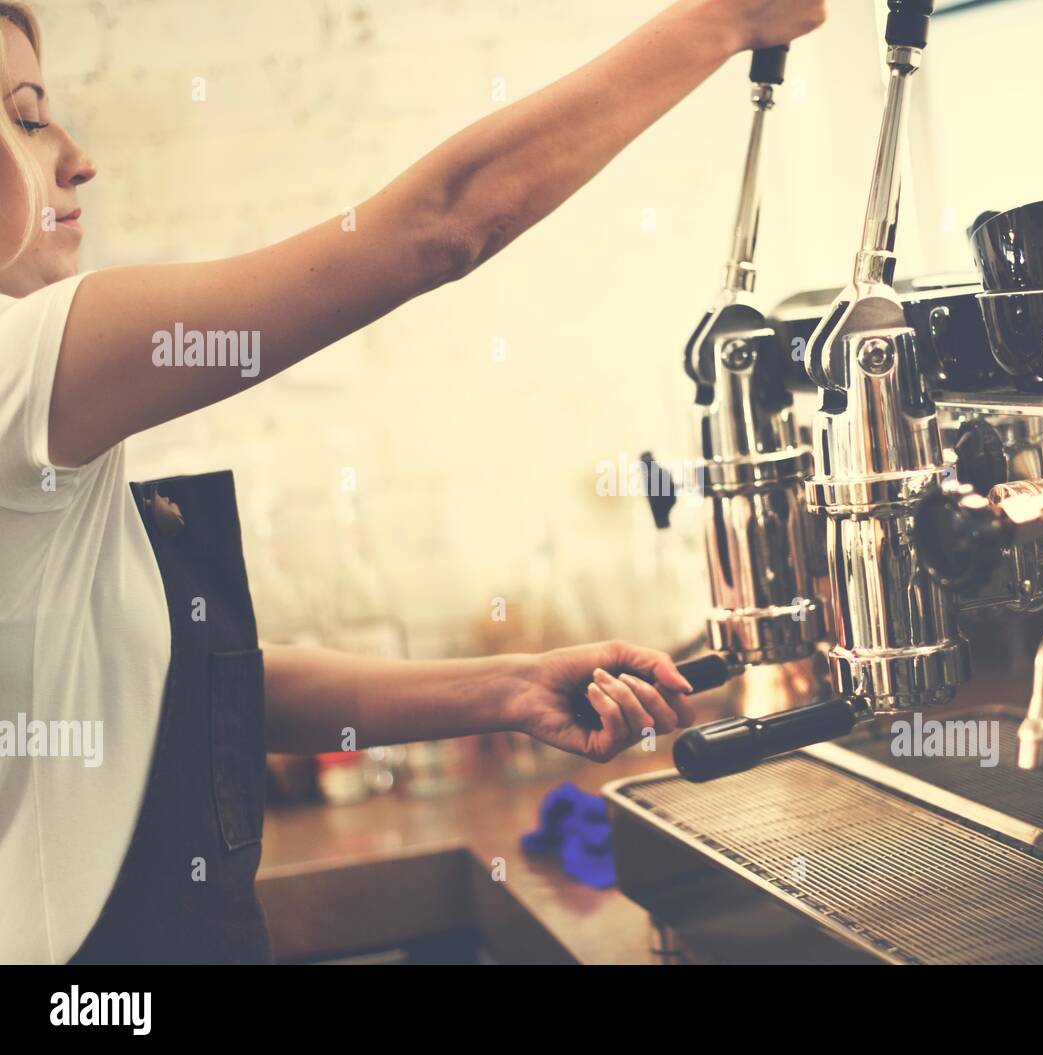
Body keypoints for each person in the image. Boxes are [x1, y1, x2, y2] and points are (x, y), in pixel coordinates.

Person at [0, 0, 827, 963]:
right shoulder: (18, 365)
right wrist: (723, 22)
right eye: (24, 116)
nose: (75, 155)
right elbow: (443, 226)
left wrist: (512, 685)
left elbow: (197, 687)